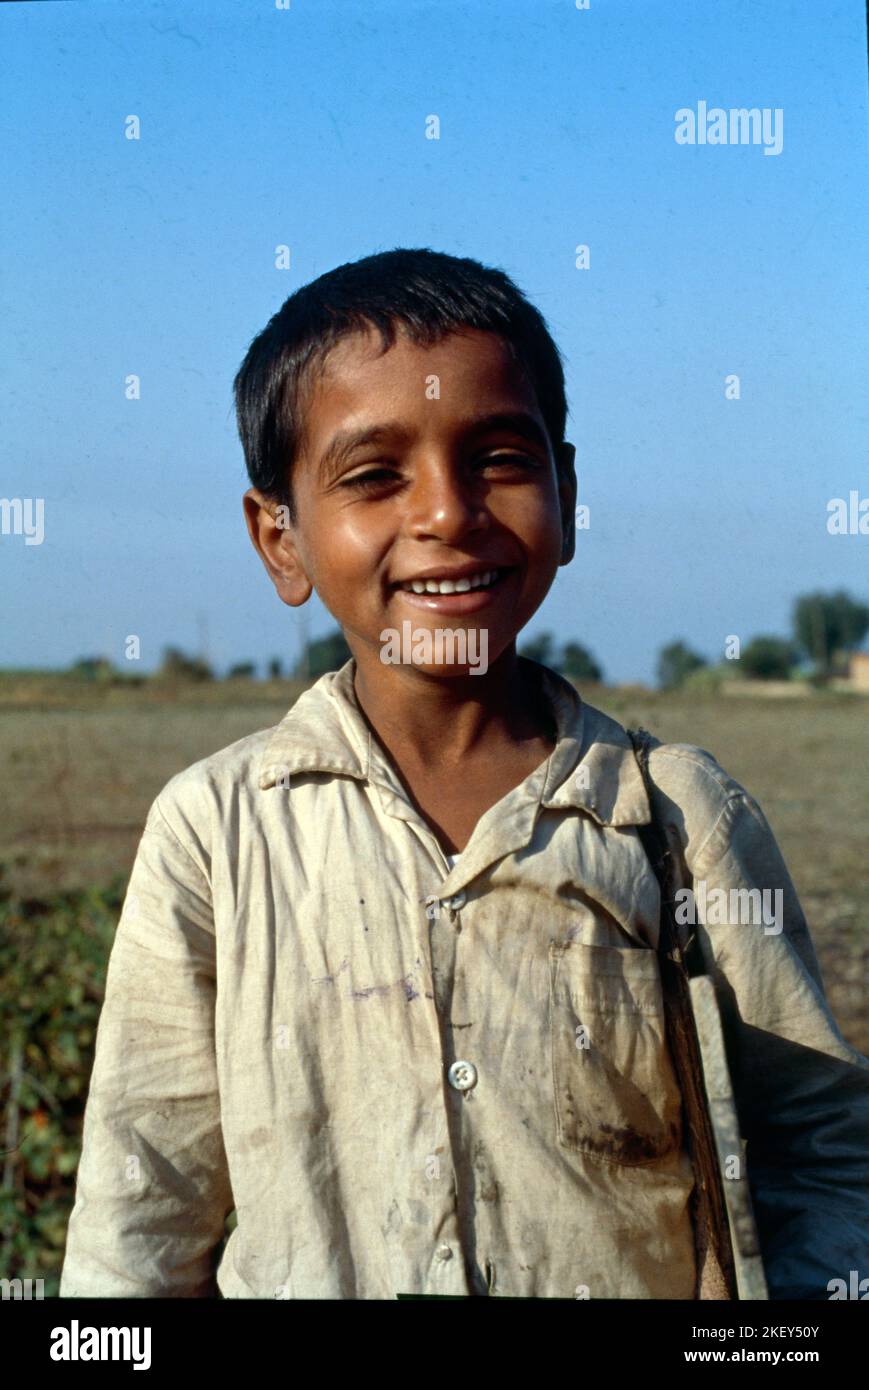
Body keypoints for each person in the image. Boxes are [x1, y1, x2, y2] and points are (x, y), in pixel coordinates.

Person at [60, 248, 869, 1300]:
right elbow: (138, 1217)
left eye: (497, 458)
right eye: (373, 476)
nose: (447, 512)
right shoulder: (217, 832)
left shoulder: (676, 819)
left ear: (565, 493)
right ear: (279, 539)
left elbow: (819, 1154)